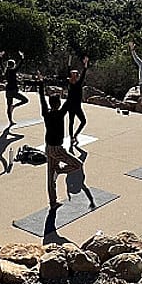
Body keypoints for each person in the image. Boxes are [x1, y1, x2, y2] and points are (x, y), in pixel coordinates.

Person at [37, 73, 82, 207]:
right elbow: (70, 99)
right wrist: (72, 84)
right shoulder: (61, 113)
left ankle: (53, 202)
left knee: (50, 178)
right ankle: (60, 171)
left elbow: (41, 99)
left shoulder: (46, 113)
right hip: (57, 149)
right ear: (58, 103)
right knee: (77, 164)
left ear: (51, 104)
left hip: (48, 148)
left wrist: (40, 83)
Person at [64, 54, 90, 148]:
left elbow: (68, 71)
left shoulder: (69, 83)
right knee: (82, 121)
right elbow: (83, 74)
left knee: (72, 122)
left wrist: (70, 61)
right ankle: (74, 136)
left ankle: (72, 137)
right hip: (76, 107)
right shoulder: (78, 84)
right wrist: (85, 64)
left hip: (72, 106)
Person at [0, 50, 28, 124]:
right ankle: (14, 106)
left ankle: (10, 121)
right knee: (25, 100)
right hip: (14, 91)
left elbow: (1, 64)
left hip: (8, 91)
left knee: (9, 106)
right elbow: (20, 65)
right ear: (13, 65)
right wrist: (22, 57)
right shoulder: (13, 71)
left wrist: (0, 57)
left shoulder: (6, 71)